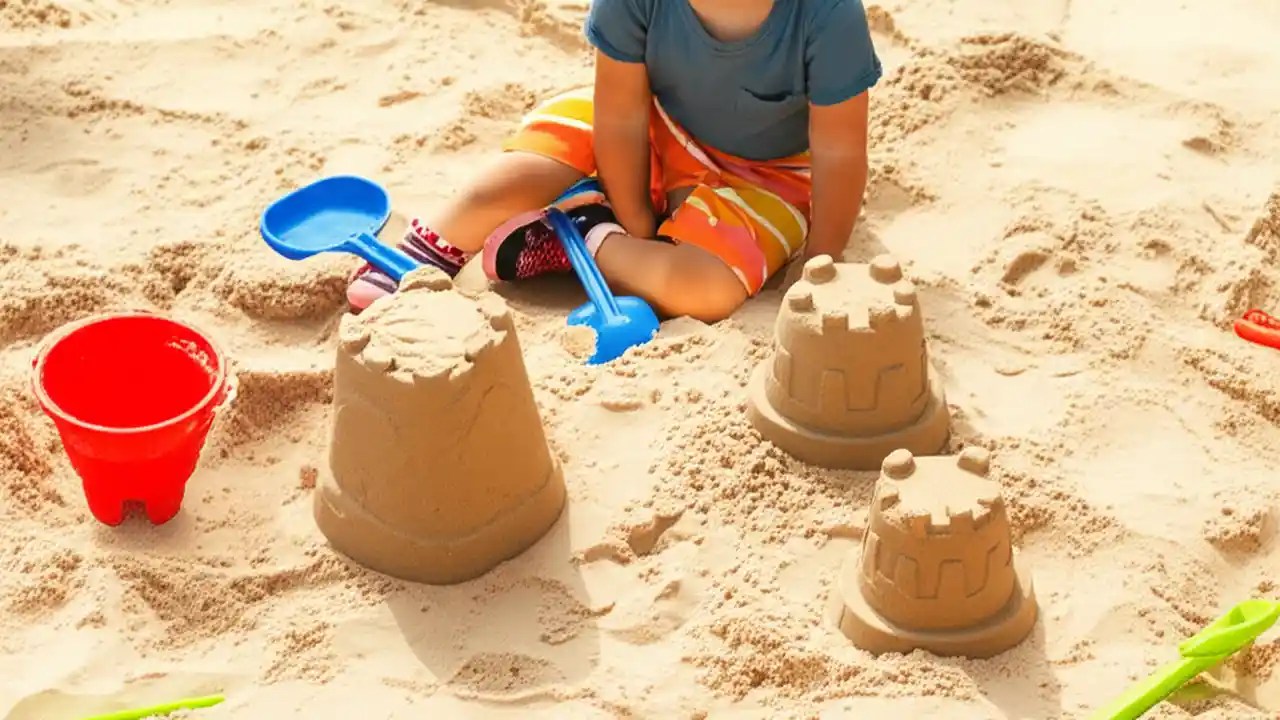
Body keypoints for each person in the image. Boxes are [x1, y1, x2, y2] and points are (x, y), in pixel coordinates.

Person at [347, 0, 882, 323]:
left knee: (706, 290)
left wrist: (823, 261)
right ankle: (433, 243)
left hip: (764, 173)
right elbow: (620, 112)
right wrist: (636, 217)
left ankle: (580, 233)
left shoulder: (827, 14)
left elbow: (839, 149)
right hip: (650, 122)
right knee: (524, 172)